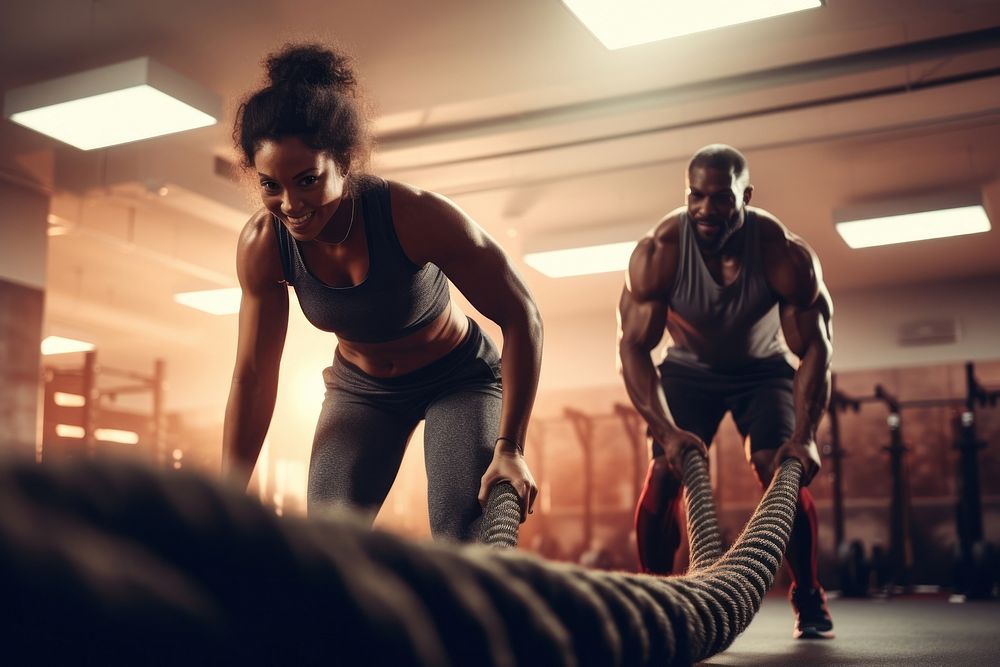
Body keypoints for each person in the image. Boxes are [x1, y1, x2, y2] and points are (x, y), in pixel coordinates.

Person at [223, 43, 541, 541]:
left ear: (344, 163)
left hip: (457, 379)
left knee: (459, 540)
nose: (290, 204)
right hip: (360, 391)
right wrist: (225, 493)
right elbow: (253, 376)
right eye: (271, 185)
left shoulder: (413, 216)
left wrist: (511, 448)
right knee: (329, 546)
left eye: (307, 180)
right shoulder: (264, 244)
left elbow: (522, 316)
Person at [617, 144, 834, 639]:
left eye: (720, 198)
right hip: (689, 372)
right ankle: (654, 595)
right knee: (663, 471)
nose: (706, 210)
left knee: (779, 468)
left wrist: (804, 436)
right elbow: (631, 348)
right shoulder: (659, 253)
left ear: (746, 195)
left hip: (763, 371)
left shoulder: (784, 253)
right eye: (696, 196)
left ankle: (808, 592)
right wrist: (666, 431)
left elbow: (816, 349)